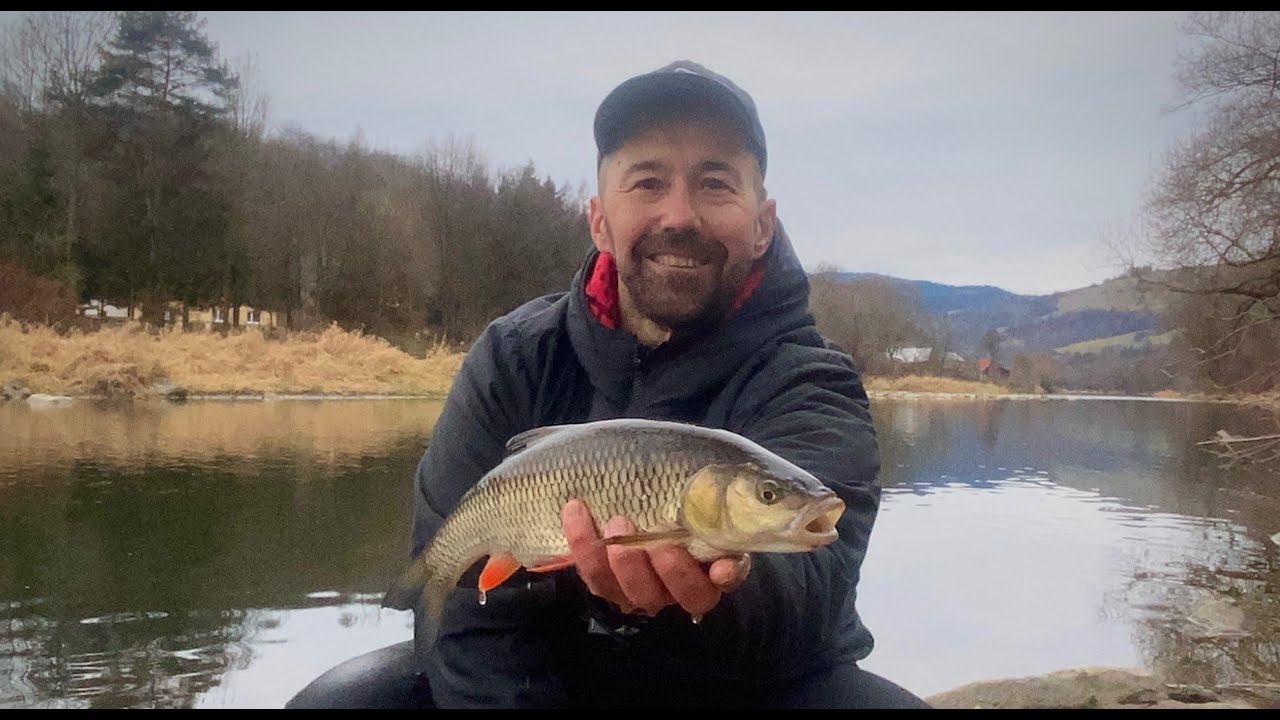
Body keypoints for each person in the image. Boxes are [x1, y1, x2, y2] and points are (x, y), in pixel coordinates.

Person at [287, 59, 929, 709]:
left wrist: (711, 593)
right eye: (647, 182)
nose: (679, 214)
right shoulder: (515, 356)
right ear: (599, 220)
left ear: (762, 223)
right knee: (345, 698)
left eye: (714, 183)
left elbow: (808, 595)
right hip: (547, 678)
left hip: (746, 690)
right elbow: (473, 622)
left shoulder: (813, 381)